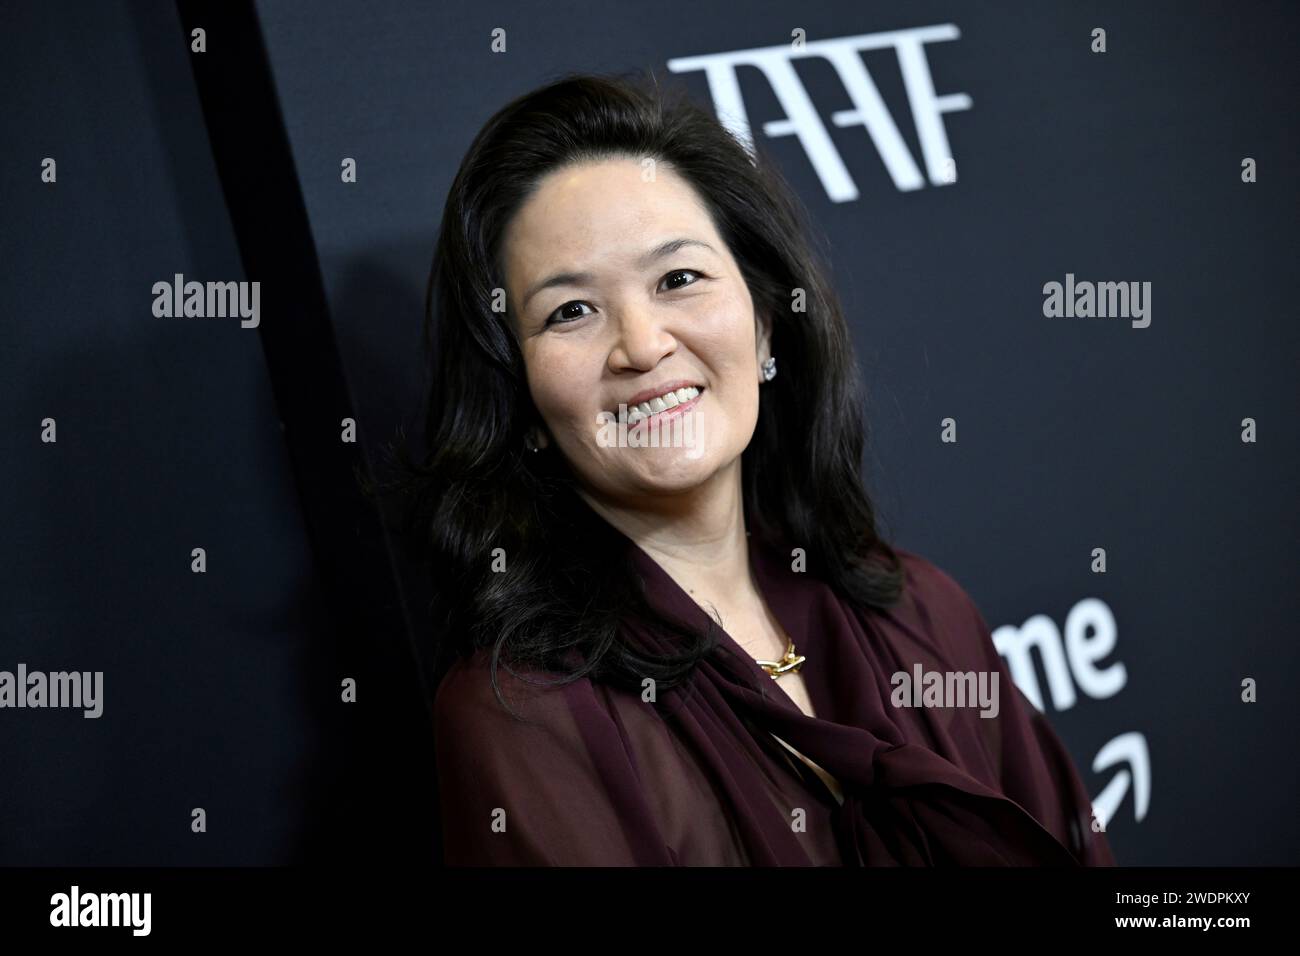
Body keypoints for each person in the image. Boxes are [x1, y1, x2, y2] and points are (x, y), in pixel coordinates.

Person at [385, 69, 1115, 866]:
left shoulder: (923, 612)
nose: (643, 345)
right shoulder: (523, 718)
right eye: (571, 311)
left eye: (678, 279)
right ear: (518, 396)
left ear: (767, 324)